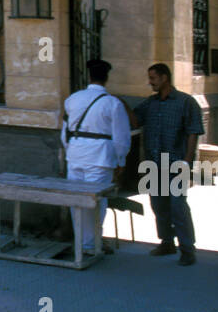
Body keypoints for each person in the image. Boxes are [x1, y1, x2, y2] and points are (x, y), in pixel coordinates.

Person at [131, 63, 204, 266]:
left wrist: (187, 161)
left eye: (153, 78)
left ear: (164, 78)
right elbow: (135, 120)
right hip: (154, 164)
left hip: (176, 163)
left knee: (178, 206)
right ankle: (166, 242)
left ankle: (188, 249)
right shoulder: (150, 103)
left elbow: (193, 132)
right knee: (158, 205)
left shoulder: (186, 102)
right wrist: (115, 103)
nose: (150, 82)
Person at [61, 58, 132, 256]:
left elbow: (64, 133)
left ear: (89, 76)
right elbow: (121, 137)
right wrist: (121, 160)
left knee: (77, 201)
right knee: (96, 202)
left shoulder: (72, 99)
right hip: (100, 159)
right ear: (106, 78)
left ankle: (83, 243)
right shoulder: (113, 104)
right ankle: (91, 244)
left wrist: (71, 151)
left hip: (76, 156)